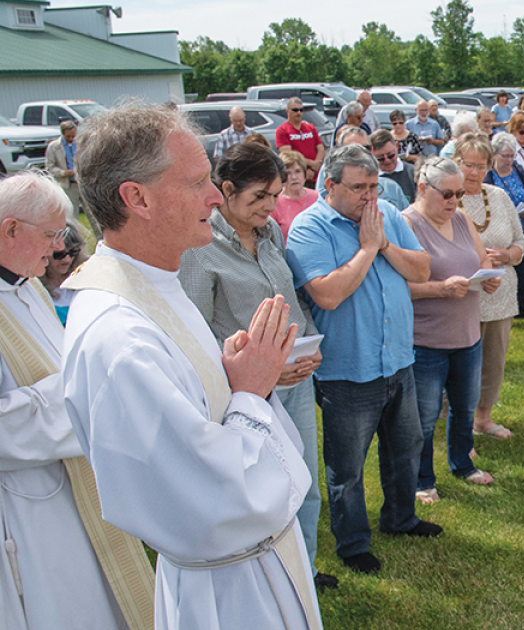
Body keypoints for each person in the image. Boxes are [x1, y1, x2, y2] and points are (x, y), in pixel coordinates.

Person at [62, 103, 320, 629]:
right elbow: (212, 501)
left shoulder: (153, 285)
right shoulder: (121, 339)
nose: (213, 197)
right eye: (198, 181)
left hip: (250, 570)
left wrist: (225, 381)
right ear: (137, 198)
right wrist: (249, 391)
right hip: (229, 591)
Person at [0, 171, 155, 630]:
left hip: (76, 481)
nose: (56, 251)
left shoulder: (27, 288)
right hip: (27, 508)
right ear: (10, 230)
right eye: (49, 236)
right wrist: (89, 385)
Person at [178, 142, 333, 590]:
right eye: (260, 196)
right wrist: (258, 371)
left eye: (275, 194)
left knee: (303, 480)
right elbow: (199, 333)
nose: (271, 205)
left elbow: (289, 298)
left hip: (295, 382)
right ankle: (272, 576)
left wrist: (305, 343)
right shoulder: (200, 248)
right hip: (246, 395)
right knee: (262, 488)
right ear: (226, 190)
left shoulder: (271, 236)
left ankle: (305, 568)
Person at [285, 144, 437, 576]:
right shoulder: (309, 227)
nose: (369, 197)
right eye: (358, 188)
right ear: (329, 185)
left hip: (397, 360)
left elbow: (422, 270)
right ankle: (352, 543)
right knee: (347, 468)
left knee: (407, 447)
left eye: (373, 186)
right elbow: (328, 294)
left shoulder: (387, 213)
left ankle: (401, 518)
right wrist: (368, 249)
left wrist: (383, 242)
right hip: (347, 370)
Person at [402, 156, 502, 504]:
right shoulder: (407, 224)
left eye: (459, 193)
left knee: (464, 405)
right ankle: (421, 479)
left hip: (467, 335)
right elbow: (396, 288)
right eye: (446, 194)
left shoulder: (460, 218)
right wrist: (440, 288)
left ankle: (462, 463)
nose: (453, 201)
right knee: (424, 416)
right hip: (426, 341)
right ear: (422, 188)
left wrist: (487, 277)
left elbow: (482, 258)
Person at [451, 135, 524, 439]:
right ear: (456, 162)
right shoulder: (447, 199)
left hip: (501, 294)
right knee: (462, 362)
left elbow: (521, 241)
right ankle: (459, 420)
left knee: (494, 359)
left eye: (481, 166)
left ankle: (484, 418)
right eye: (468, 165)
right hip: (463, 295)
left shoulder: (498, 196)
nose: (474, 172)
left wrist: (507, 255)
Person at [486, 132, 524, 318]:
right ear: (494, 155)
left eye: (511, 155)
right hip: (500, 231)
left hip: (522, 228)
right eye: (504, 156)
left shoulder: (518, 170)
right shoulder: (489, 176)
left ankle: (521, 310)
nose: (509, 160)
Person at [317, 128, 409, 213]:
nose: (361, 155)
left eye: (365, 149)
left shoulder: (391, 189)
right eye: (357, 188)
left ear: (372, 150)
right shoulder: (316, 220)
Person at [39, 217, 89, 323]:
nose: (67, 259)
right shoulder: (37, 288)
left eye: (73, 252)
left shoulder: (87, 279)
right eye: (59, 254)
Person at [272, 150, 319, 242]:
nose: (294, 177)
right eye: (288, 173)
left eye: (298, 171)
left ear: (304, 173)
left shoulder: (318, 197)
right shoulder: (274, 202)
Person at [275, 97, 324, 185]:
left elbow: (320, 148)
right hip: (296, 178)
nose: (299, 113)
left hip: (315, 176)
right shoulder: (282, 130)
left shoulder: (310, 127)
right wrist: (311, 164)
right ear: (287, 111)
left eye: (301, 110)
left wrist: (314, 168)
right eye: (295, 110)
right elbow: (288, 155)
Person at [44, 120, 85, 218]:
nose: (71, 138)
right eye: (68, 137)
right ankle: (74, 233)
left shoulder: (81, 143)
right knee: (72, 215)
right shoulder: (53, 147)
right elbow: (49, 167)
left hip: (83, 184)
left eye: (73, 136)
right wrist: (63, 173)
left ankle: (100, 234)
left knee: (93, 215)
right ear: (62, 134)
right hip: (69, 185)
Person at [371, 129, 417, 203]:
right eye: (380, 159)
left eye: (391, 155)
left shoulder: (413, 173)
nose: (387, 160)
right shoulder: (369, 179)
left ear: (397, 146)